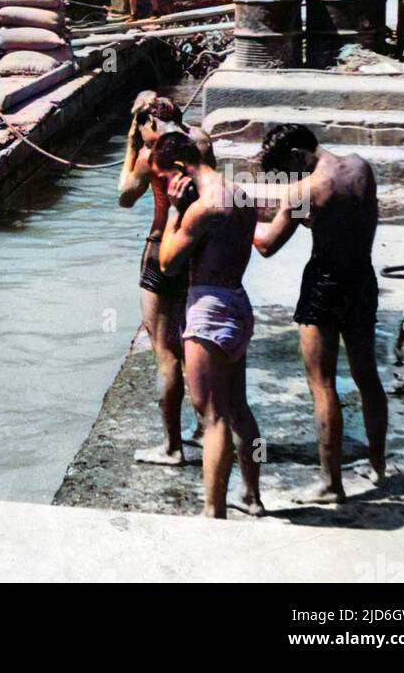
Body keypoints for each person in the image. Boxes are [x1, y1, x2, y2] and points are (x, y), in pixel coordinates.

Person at [253, 124, 388, 502]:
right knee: (368, 378)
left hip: (325, 283)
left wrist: (239, 210)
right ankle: (378, 467)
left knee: (323, 383)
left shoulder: (304, 191)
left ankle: (331, 484)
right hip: (362, 277)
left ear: (298, 155)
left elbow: (267, 245)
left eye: (288, 169)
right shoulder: (360, 167)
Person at [153, 132, 264, 519]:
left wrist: (171, 211)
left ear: (180, 169)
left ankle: (212, 513)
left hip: (209, 311)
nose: (165, 186)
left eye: (165, 177)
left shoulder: (201, 209)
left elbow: (167, 263)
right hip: (238, 302)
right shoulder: (242, 196)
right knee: (239, 410)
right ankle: (252, 496)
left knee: (212, 417)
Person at [118, 94, 214, 466]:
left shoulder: (150, 153)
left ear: (150, 124)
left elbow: (125, 196)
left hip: (162, 247)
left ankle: (172, 447)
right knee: (195, 344)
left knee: (166, 353)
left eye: (140, 127)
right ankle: (207, 428)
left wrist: (131, 145)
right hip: (200, 250)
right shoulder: (201, 142)